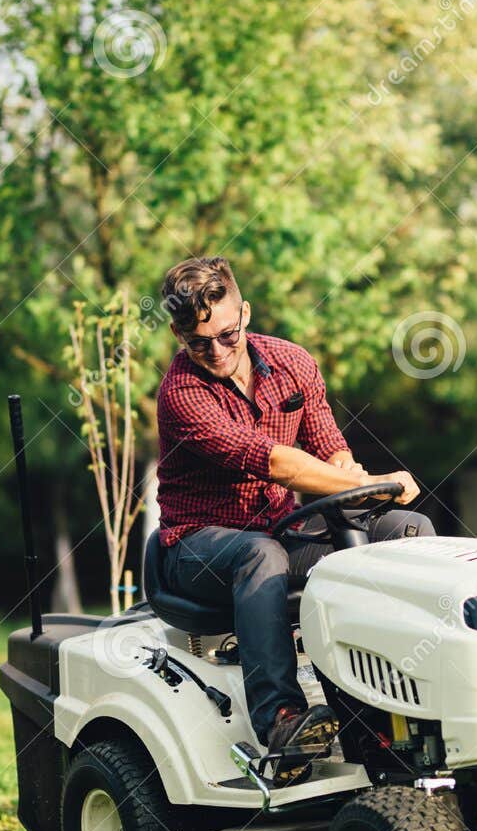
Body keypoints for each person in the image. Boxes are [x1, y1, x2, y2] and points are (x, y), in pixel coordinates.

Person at [153, 255, 432, 759]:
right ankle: (281, 719)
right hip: (195, 548)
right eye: (198, 342)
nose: (215, 351)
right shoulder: (182, 394)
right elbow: (276, 463)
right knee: (261, 555)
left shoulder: (292, 362)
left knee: (406, 530)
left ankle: (411, 687)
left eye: (227, 335)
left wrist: (357, 484)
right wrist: (375, 481)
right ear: (178, 335)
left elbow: (331, 448)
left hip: (280, 529)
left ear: (246, 315)